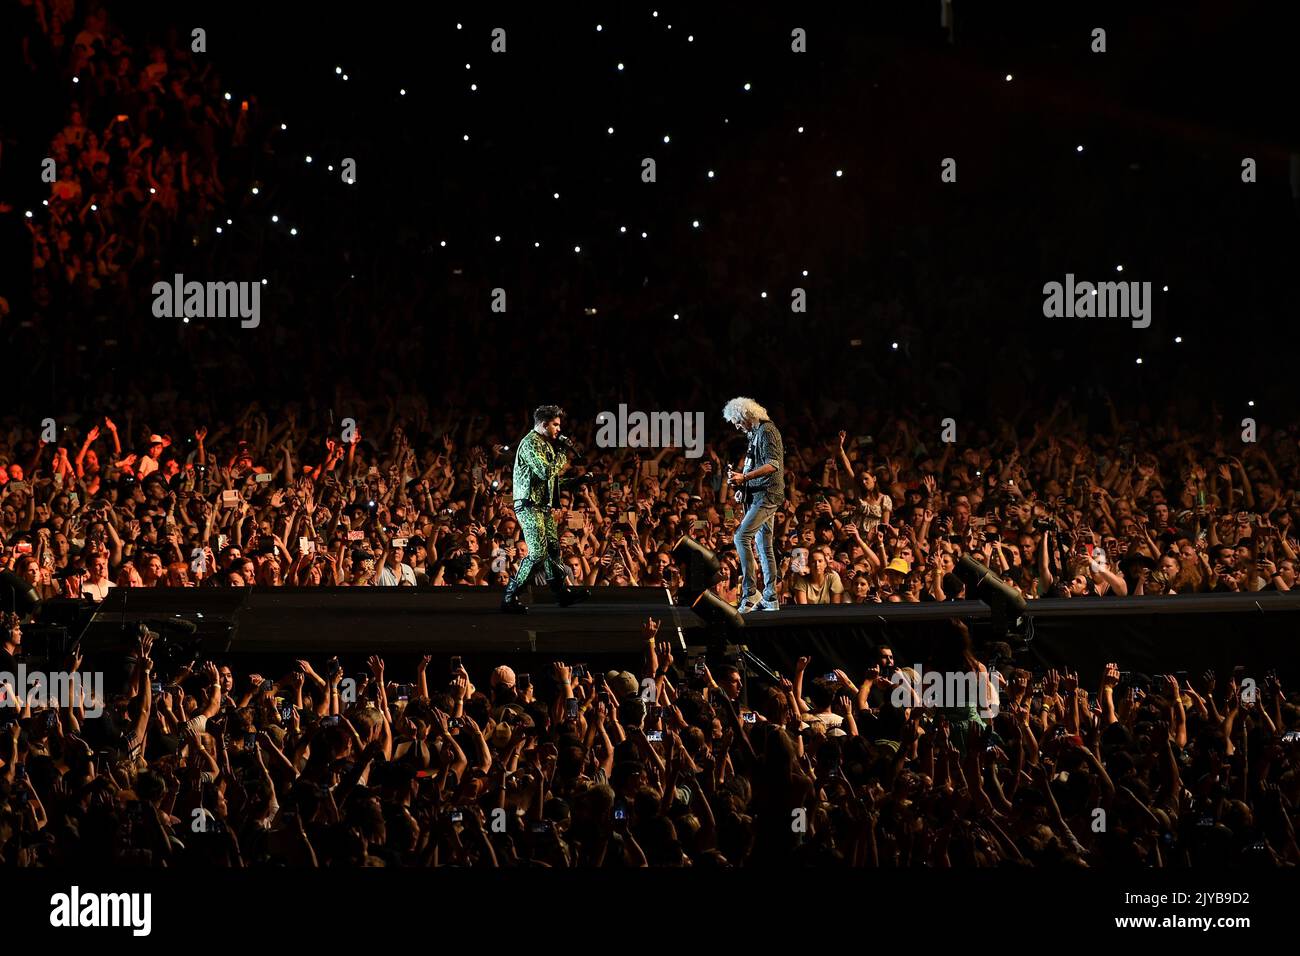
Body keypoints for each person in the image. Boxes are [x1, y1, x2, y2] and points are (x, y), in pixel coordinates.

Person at [501, 405, 592, 613]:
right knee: (538, 553)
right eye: (556, 425)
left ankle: (561, 593)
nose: (559, 429)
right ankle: (510, 596)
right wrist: (562, 454)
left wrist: (578, 481)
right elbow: (545, 472)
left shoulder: (545, 445)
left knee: (553, 551)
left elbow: (552, 480)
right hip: (528, 505)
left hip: (543, 506)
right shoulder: (531, 443)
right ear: (544, 424)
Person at [724, 397, 785, 612]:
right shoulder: (754, 434)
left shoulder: (767, 431)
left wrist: (745, 478)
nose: (736, 426)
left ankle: (750, 592)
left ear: (746, 416)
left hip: (768, 495)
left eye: (737, 421)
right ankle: (770, 596)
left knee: (741, 537)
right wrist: (742, 487)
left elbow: (772, 465)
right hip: (758, 494)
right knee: (763, 545)